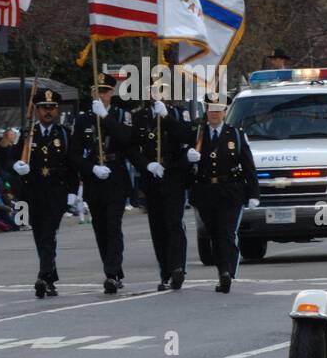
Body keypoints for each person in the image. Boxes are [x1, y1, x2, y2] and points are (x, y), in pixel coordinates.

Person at [188, 91, 259, 293]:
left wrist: (254, 193)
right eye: (211, 109)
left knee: (226, 233)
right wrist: (189, 157)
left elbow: (248, 165)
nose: (214, 113)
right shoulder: (198, 134)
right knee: (213, 234)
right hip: (205, 191)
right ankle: (222, 270)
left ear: (225, 111)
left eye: (218, 109)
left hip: (230, 191)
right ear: (207, 110)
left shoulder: (235, 134)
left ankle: (226, 272)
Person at [70, 74, 134, 294]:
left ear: (111, 93)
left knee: (113, 225)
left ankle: (112, 273)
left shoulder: (120, 115)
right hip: (94, 179)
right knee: (100, 228)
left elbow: (126, 139)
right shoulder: (82, 120)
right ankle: (113, 268)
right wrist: (92, 169)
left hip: (115, 177)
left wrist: (106, 118)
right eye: (98, 91)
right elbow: (75, 154)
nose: (101, 95)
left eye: (105, 91)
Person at [12, 87, 78, 298]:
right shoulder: (26, 135)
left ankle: (43, 276)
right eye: (43, 108)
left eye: (52, 108)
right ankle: (50, 278)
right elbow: (9, 160)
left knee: (49, 234)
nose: (48, 111)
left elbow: (72, 165)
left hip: (57, 191)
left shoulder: (65, 135)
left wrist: (73, 192)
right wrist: (17, 167)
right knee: (40, 235)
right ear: (37, 110)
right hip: (33, 192)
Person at [128, 91, 194, 292]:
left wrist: (166, 117)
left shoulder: (178, 113)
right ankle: (165, 272)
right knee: (158, 227)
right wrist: (147, 165)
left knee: (174, 223)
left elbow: (188, 136)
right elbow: (131, 148)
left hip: (174, 176)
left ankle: (178, 268)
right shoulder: (139, 117)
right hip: (152, 178)